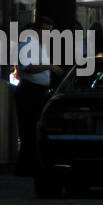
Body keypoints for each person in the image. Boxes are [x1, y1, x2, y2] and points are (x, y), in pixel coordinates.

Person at [13, 15, 62, 176]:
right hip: (29, 90)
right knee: (28, 129)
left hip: (38, 90)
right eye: (46, 30)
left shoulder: (39, 46)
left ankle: (30, 163)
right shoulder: (28, 45)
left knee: (34, 129)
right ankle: (25, 166)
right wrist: (49, 66)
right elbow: (27, 68)